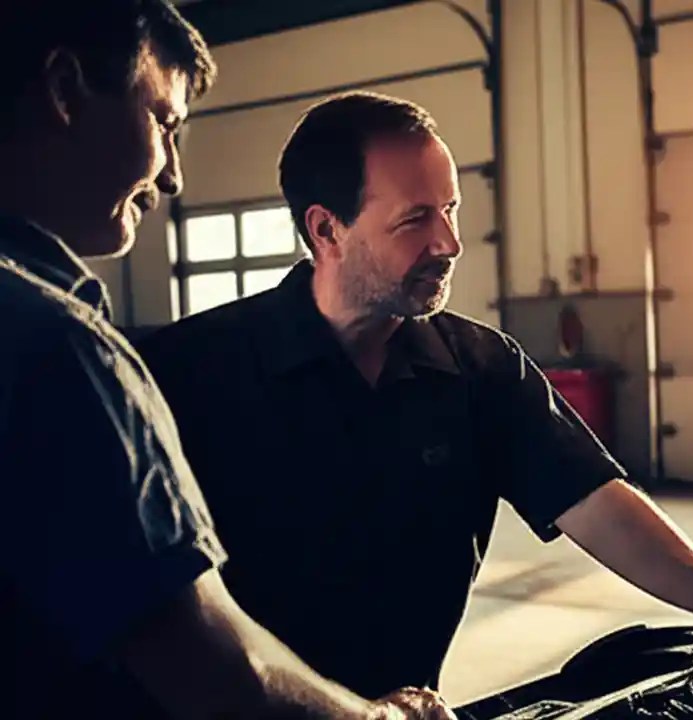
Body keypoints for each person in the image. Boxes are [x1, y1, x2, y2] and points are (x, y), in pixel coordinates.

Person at [138, 91, 693, 711]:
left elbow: (596, 501)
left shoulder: (477, 369)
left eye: (451, 211)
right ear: (325, 228)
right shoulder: (183, 374)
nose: (448, 242)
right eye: (415, 219)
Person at [0, 4, 455, 719]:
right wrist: (378, 718)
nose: (175, 175)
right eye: (164, 123)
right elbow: (216, 673)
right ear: (64, 92)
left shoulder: (479, 364)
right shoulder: (55, 348)